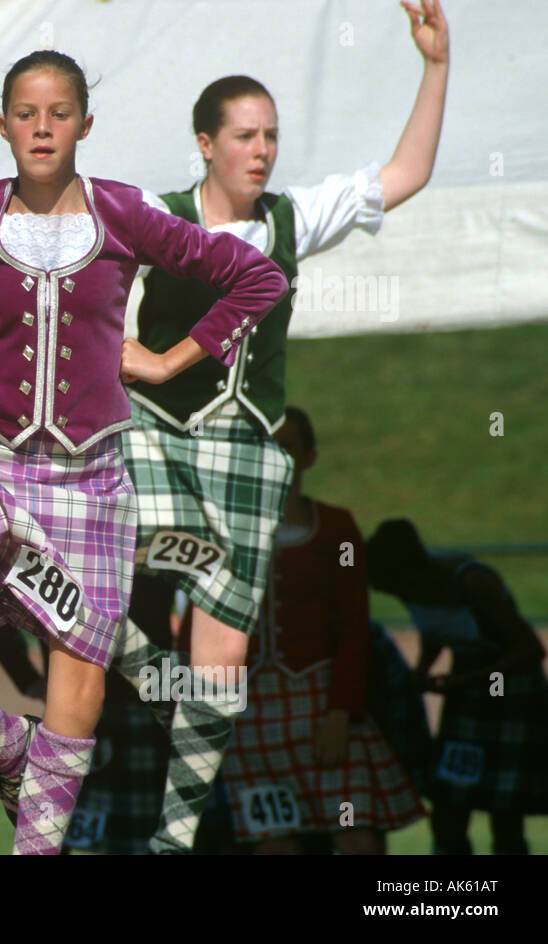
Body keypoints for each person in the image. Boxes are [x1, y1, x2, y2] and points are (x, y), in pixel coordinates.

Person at [0, 49, 288, 854]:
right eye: (27, 114)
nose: (43, 128)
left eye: (60, 113)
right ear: (2, 125)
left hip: (86, 479)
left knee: (76, 703)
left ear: (85, 124)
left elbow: (256, 279)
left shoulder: (126, 214)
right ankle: (8, 743)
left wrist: (174, 358)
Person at [122, 0, 450, 852]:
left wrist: (436, 67)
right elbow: (79, 305)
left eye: (270, 135)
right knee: (163, 606)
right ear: (205, 144)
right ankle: (115, 597)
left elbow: (404, 175)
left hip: (244, 451)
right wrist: (136, 363)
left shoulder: (290, 220)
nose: (262, 149)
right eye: (244, 135)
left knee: (219, 670)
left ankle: (176, 832)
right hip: (158, 438)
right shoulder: (150, 221)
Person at [219, 407, 425, 853]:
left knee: (358, 840)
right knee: (274, 845)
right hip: (250, 712)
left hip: (323, 702)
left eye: (287, 446)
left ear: (309, 456)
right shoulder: (224, 530)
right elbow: (207, 628)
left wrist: (340, 712)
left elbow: (355, 627)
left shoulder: (338, 529)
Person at [367, 519, 548, 854]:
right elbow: (437, 629)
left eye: (382, 581)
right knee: (450, 802)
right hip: (465, 688)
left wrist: (463, 681)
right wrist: (422, 669)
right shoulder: (411, 587)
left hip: (506, 688)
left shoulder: (471, 582)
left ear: (402, 570)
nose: (379, 589)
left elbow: (529, 649)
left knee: (504, 811)